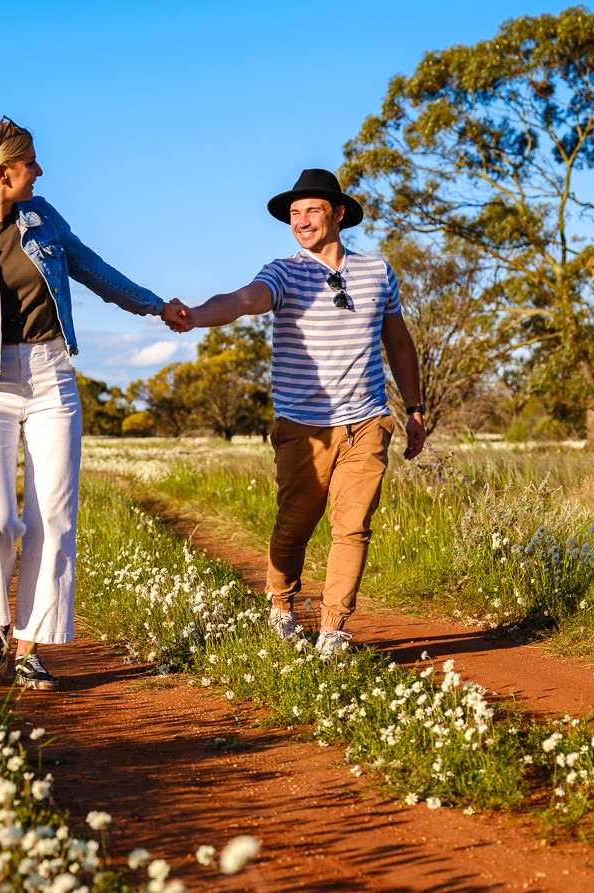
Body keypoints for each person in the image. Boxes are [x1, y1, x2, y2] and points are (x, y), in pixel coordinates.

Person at [0, 116, 188, 690]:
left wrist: (153, 305)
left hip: (50, 378)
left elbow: (94, 270)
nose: (40, 171)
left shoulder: (43, 219)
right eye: (31, 163)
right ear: (2, 171)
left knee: (54, 518)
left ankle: (28, 646)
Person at [169, 168, 425, 658]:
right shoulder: (284, 272)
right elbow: (244, 300)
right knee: (295, 523)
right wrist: (199, 314)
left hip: (367, 421)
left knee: (353, 526)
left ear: (339, 214)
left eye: (312, 210)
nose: (302, 221)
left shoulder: (377, 272)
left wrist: (414, 408)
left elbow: (398, 340)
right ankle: (281, 607)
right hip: (303, 429)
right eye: (294, 214)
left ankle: (332, 630)